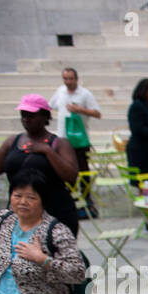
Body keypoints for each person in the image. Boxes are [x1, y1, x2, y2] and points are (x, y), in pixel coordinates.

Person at [0, 94, 80, 239]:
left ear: (45, 116)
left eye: (31, 115)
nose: (26, 119)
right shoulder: (12, 141)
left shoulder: (59, 143)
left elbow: (71, 176)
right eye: (23, 115)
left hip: (55, 211)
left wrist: (48, 151)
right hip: (21, 213)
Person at [49, 68, 100, 215]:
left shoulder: (85, 94)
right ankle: (69, 200)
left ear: (77, 79)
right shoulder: (60, 91)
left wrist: (80, 110)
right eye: (66, 79)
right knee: (65, 170)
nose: (68, 82)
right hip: (63, 138)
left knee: (83, 170)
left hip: (79, 139)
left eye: (71, 79)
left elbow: (97, 113)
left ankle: (86, 201)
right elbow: (50, 105)